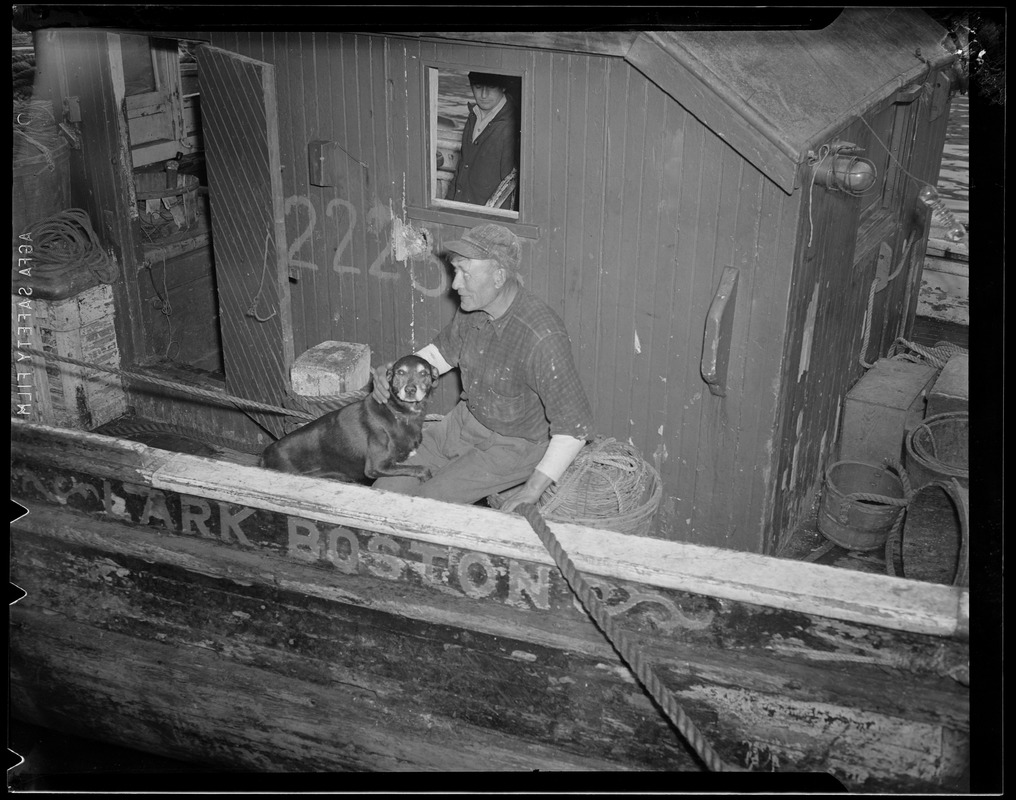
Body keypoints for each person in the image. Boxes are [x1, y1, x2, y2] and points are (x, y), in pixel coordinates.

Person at [371, 224, 592, 513]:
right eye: (455, 271)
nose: (455, 285)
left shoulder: (541, 336)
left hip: (512, 446)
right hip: (462, 423)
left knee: (423, 509)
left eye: (465, 273)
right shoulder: (472, 308)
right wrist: (395, 377)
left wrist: (532, 490)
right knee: (383, 492)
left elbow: (574, 428)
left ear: (498, 276)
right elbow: (440, 354)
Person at [449, 72, 519, 208]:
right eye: (478, 87)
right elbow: (460, 171)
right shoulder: (473, 115)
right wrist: (447, 207)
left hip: (485, 217)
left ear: (503, 87)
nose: (484, 95)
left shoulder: (511, 127)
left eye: (491, 87)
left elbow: (509, 189)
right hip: (461, 209)